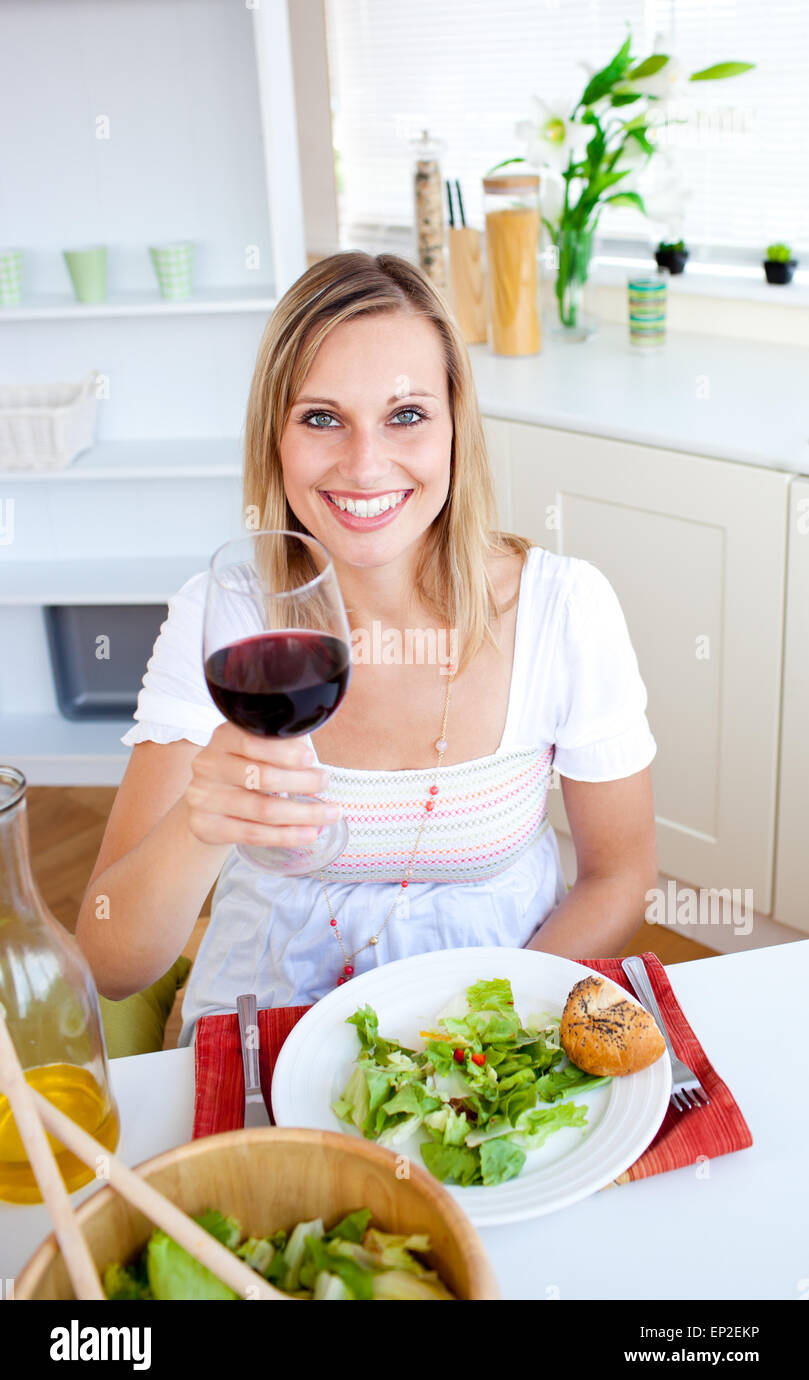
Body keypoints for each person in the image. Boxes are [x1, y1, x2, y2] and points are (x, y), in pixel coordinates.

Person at [75, 251, 658, 1045]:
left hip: (487, 1039)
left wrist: (472, 1037)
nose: (363, 463)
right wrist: (199, 824)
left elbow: (616, 877)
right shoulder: (220, 619)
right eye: (321, 418)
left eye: (406, 415)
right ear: (274, 437)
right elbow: (109, 962)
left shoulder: (565, 609)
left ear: (456, 426)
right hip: (261, 1044)